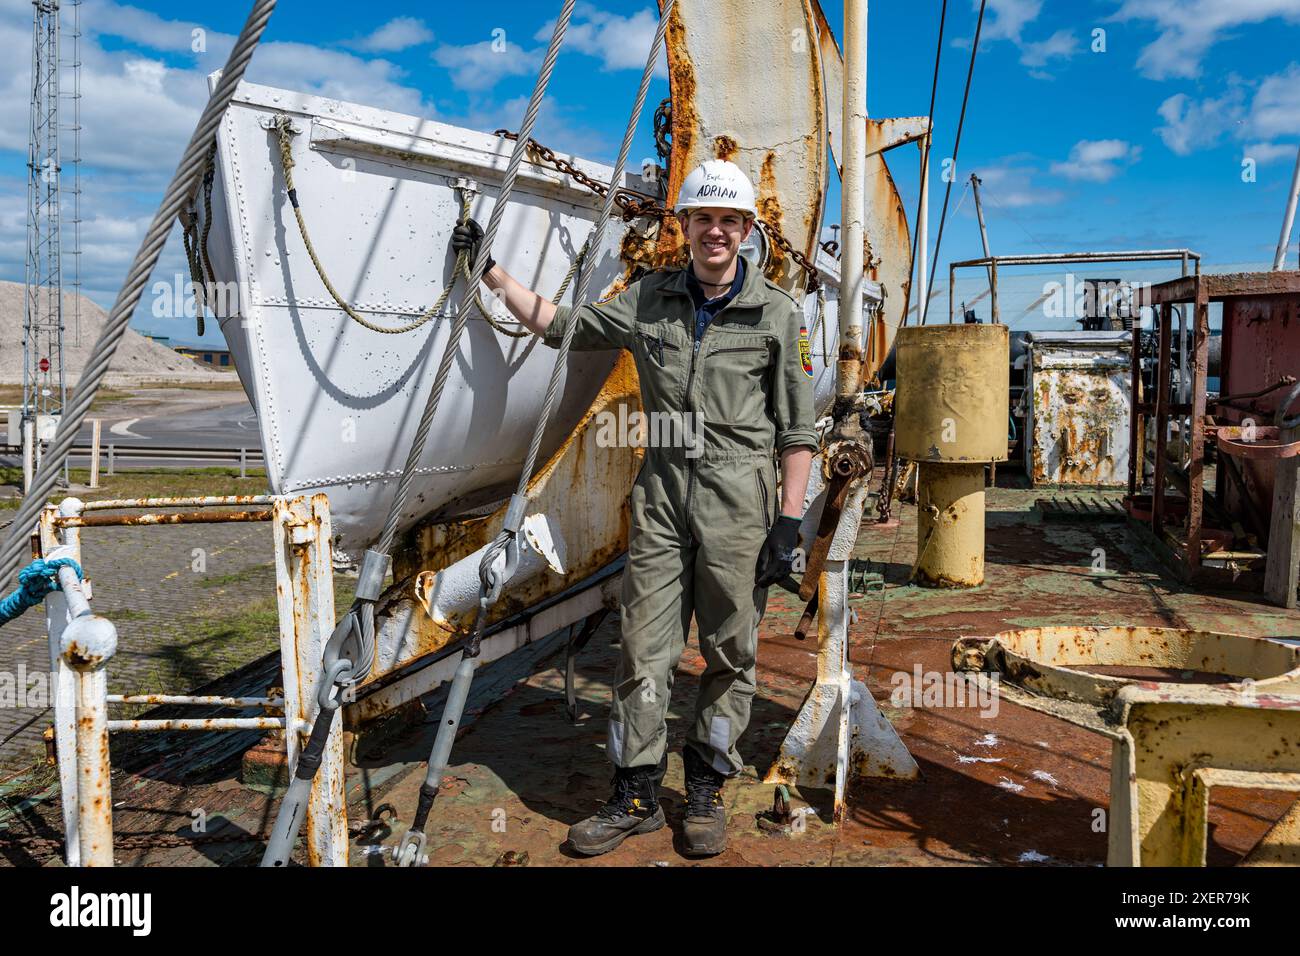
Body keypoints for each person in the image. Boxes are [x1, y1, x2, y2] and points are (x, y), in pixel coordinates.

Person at [452, 159, 816, 857]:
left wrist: (790, 523)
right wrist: (490, 271)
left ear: (745, 231)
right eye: (703, 218)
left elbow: (798, 431)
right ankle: (636, 794)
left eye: (728, 221)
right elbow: (560, 325)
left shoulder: (778, 314)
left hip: (741, 498)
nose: (715, 232)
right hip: (661, 492)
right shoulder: (649, 298)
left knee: (730, 652)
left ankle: (706, 785)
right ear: (685, 227)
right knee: (643, 651)